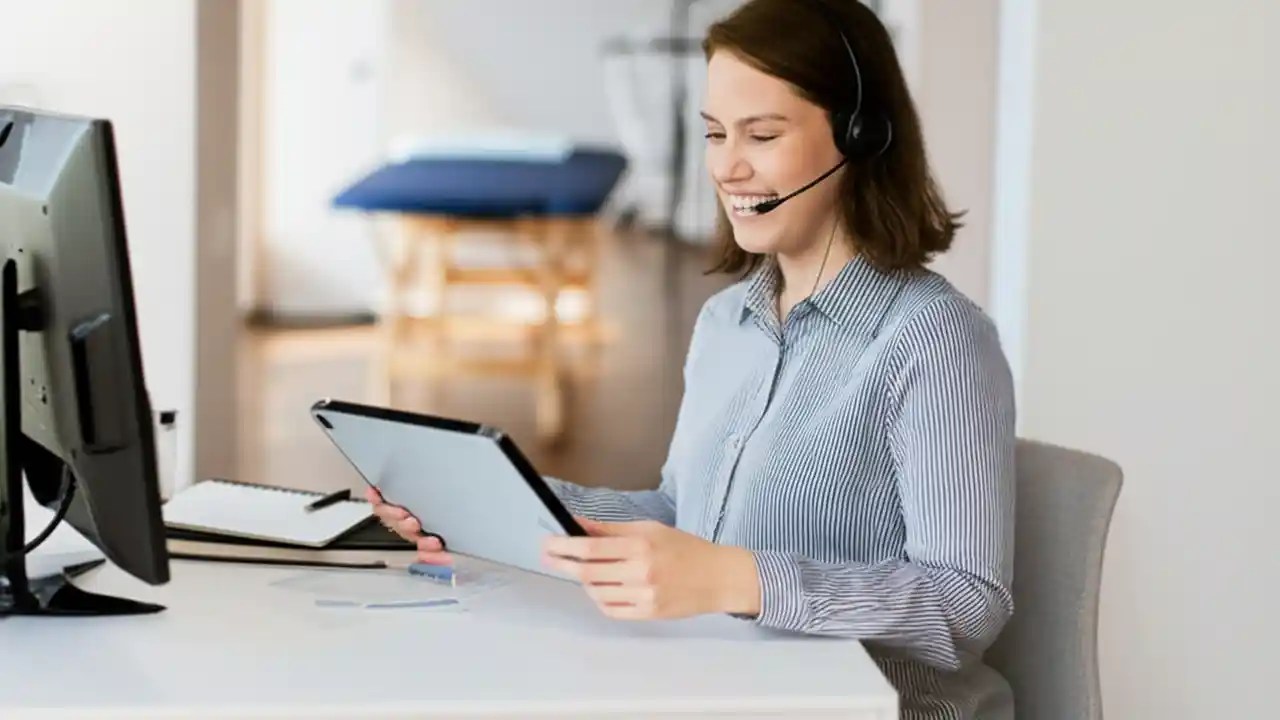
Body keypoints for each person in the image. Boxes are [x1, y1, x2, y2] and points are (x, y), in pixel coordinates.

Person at [368, 1, 1016, 717]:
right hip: (724, 689)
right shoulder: (725, 324)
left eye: (762, 135)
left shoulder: (935, 339)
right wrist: (488, 499)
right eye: (714, 134)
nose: (727, 166)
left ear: (859, 138)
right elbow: (682, 514)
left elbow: (966, 603)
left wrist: (742, 581)